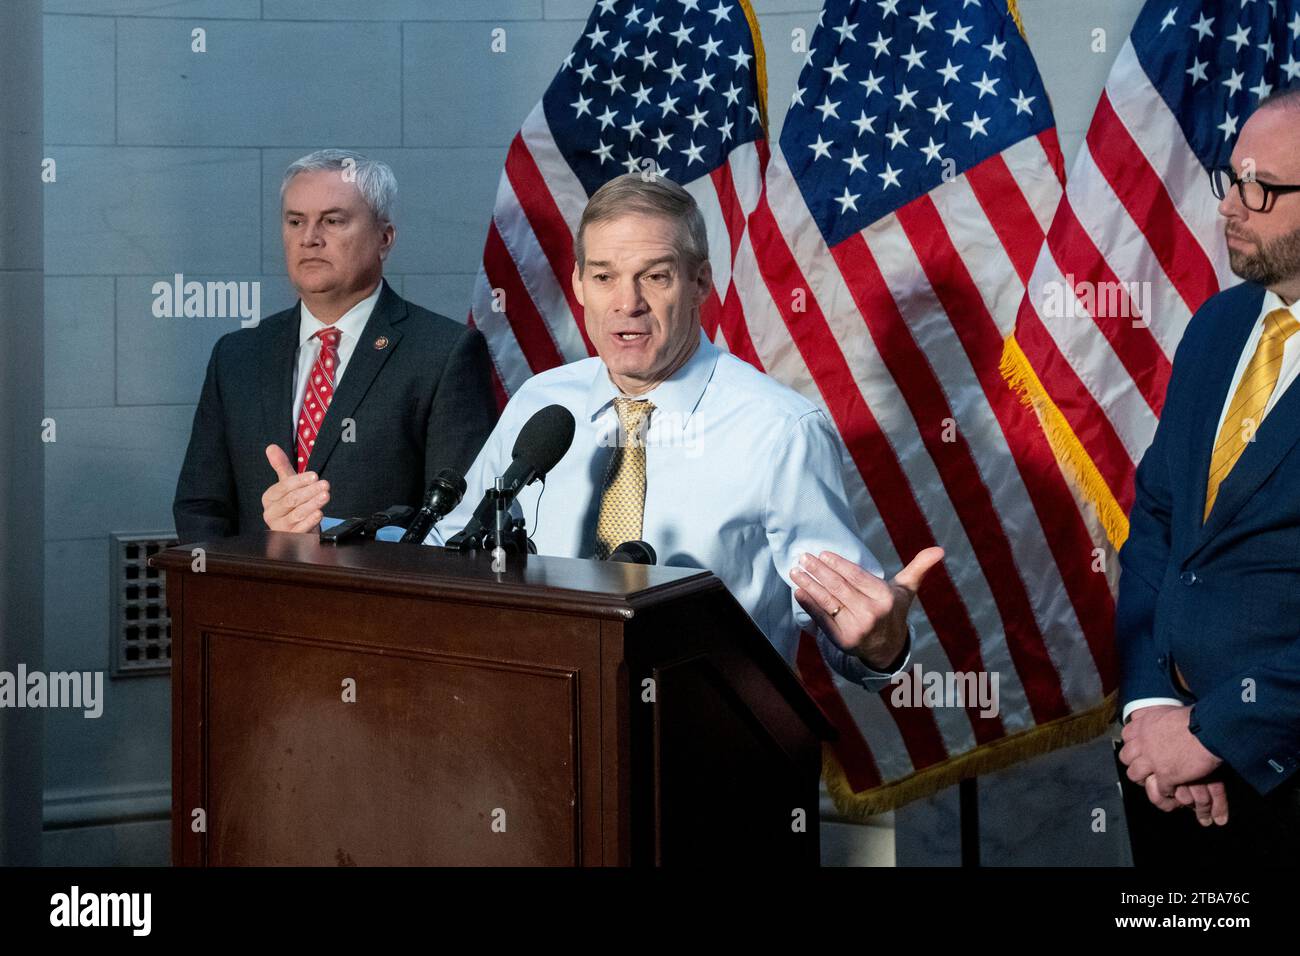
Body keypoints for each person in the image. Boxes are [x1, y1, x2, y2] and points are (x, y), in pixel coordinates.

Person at [427, 173, 943, 685]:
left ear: (699, 282)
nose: (627, 303)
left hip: (707, 738)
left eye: (654, 276)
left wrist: (881, 646)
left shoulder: (780, 430)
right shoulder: (540, 403)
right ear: (580, 284)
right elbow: (450, 551)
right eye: (604, 277)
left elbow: (846, 626)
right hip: (542, 728)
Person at [1117, 91, 1300, 864]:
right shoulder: (1219, 326)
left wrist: (1216, 731)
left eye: (1262, 188)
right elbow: (1158, 520)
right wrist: (1155, 701)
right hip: (1166, 779)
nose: (1230, 205)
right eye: (1231, 178)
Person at [173, 149, 497, 543]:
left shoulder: (445, 353)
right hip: (252, 598)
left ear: (384, 237)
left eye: (332, 220)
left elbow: (460, 522)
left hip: (374, 600)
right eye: (295, 221)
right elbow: (201, 508)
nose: (309, 238)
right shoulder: (236, 355)